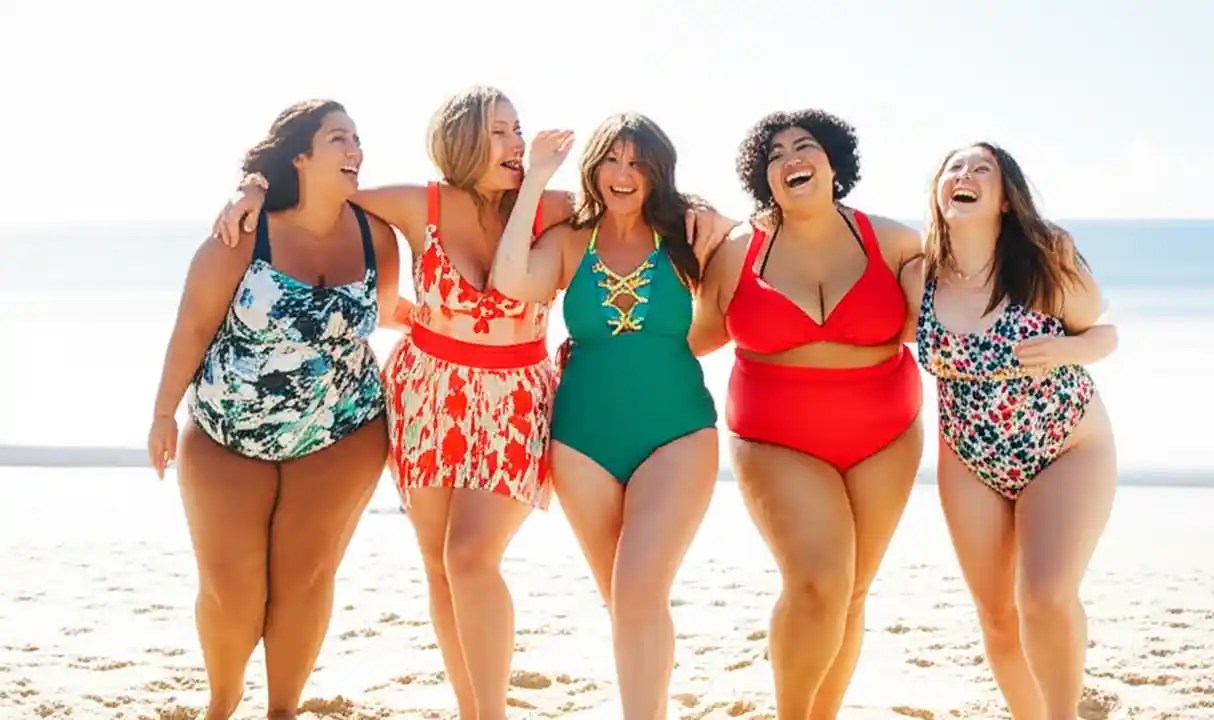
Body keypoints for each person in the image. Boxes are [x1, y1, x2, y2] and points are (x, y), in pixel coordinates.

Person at [210, 86, 574, 720]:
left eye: (519, 129)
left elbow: (641, 199)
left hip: (515, 398)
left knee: (471, 557)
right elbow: (322, 186)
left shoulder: (555, 207)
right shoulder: (419, 204)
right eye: (500, 132)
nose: (517, 143)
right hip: (426, 395)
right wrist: (252, 189)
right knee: (439, 567)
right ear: (461, 141)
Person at [147, 99, 402, 720]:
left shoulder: (377, 234)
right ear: (301, 157)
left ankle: (283, 711)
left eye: (357, 139)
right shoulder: (243, 231)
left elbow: (384, 314)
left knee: (305, 579)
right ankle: (223, 701)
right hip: (226, 430)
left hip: (342, 428)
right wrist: (160, 414)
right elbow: (193, 327)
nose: (355, 151)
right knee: (234, 593)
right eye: (338, 139)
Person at [489, 114, 733, 718]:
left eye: (639, 163)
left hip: (676, 433)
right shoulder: (573, 240)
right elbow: (511, 281)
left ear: (657, 174)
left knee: (638, 588)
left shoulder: (686, 235)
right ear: (593, 166)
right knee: (625, 602)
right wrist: (535, 180)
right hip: (580, 442)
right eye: (613, 160)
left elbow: (732, 294)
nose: (624, 175)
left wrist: (719, 224)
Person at [686, 109, 925, 719]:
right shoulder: (739, 251)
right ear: (763, 178)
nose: (790, 158)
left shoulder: (895, 242)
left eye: (805, 146)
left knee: (851, 593)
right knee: (818, 584)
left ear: (833, 163)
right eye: (774, 154)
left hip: (886, 436)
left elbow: (945, 326)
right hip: (775, 439)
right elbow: (692, 337)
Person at [903, 141, 1118, 720]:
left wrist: (1067, 347)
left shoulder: (1043, 259)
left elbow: (1103, 335)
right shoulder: (917, 275)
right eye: (953, 167)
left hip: (1066, 445)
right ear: (939, 193)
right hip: (971, 459)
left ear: (1004, 198)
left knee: (1043, 596)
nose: (964, 175)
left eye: (981, 168)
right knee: (997, 613)